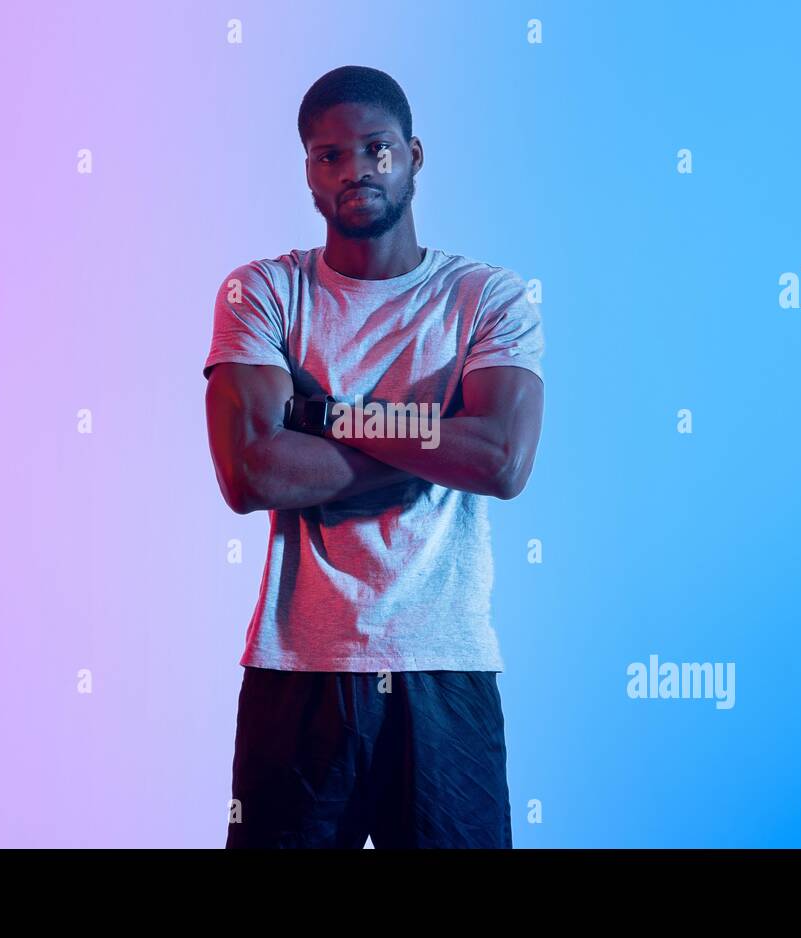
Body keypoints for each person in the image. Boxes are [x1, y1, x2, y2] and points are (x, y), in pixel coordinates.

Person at [203, 65, 545, 848]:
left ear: (414, 155)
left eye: (375, 148)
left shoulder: (486, 298)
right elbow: (250, 473)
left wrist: (322, 416)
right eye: (329, 156)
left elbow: (502, 464)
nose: (356, 168)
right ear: (310, 176)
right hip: (299, 668)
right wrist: (441, 438)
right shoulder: (262, 294)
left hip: (443, 664)